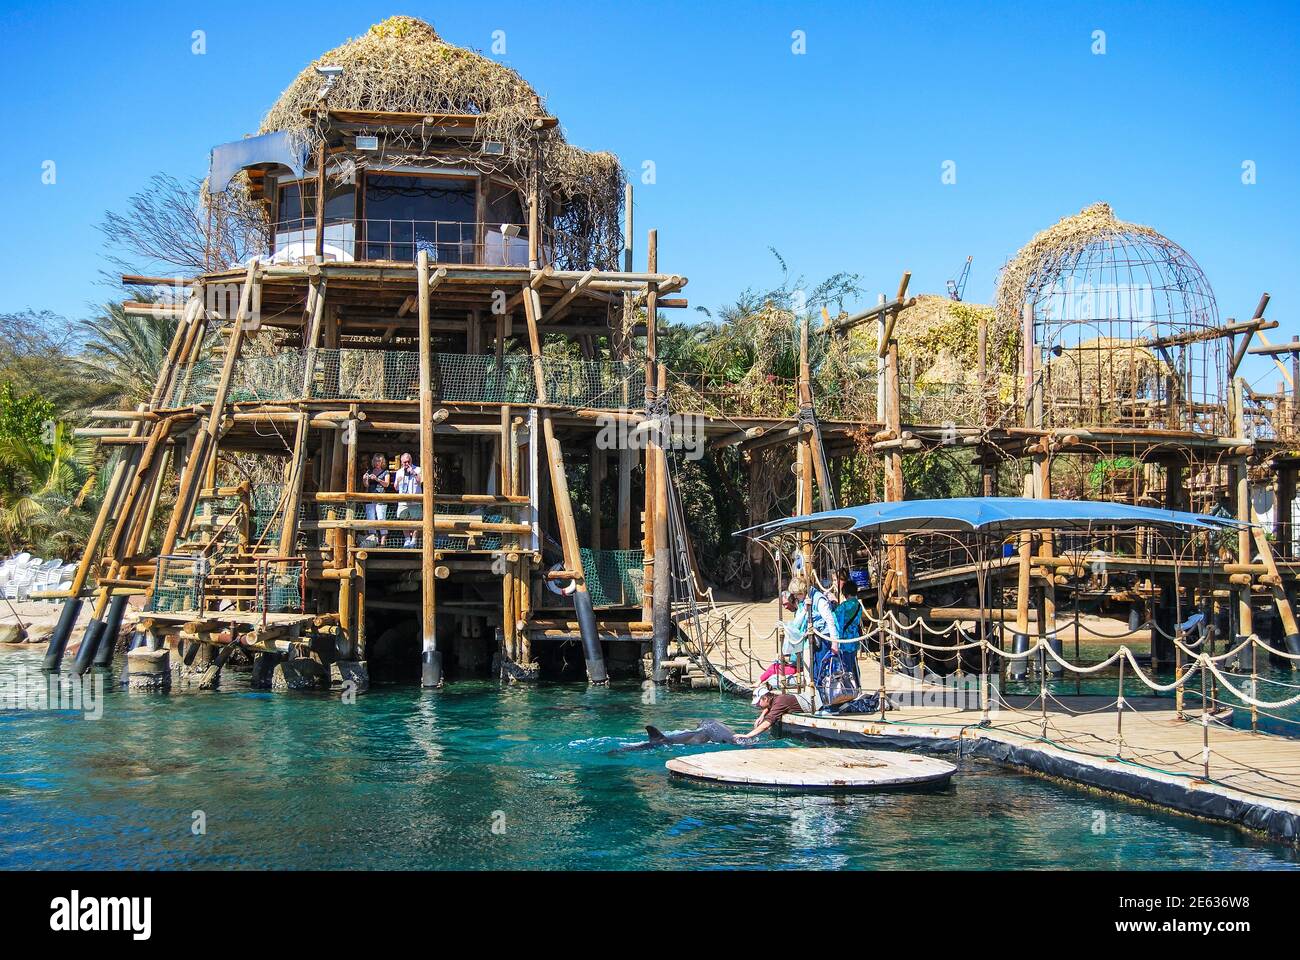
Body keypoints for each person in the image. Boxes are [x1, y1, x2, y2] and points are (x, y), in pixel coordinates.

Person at [737, 690, 802, 742]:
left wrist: (748, 736)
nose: (757, 705)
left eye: (758, 703)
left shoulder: (780, 702)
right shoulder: (777, 698)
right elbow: (770, 707)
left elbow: (767, 723)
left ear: (765, 698)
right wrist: (762, 716)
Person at [361, 453, 392, 546]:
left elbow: (386, 484)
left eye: (379, 461)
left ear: (382, 462)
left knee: (381, 518)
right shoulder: (369, 471)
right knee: (371, 519)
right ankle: (373, 541)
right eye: (375, 460)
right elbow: (366, 485)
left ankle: (382, 543)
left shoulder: (386, 472)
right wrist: (365, 479)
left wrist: (377, 479)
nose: (377, 462)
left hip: (381, 498)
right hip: (370, 498)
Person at [393, 452, 423, 549]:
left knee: (416, 521)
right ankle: (407, 540)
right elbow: (396, 488)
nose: (406, 464)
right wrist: (397, 481)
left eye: (408, 461)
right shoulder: (399, 472)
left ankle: (413, 541)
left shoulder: (418, 469)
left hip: (415, 501)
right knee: (403, 521)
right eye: (404, 462)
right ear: (401, 462)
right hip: (403, 501)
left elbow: (421, 481)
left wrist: (413, 473)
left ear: (411, 460)